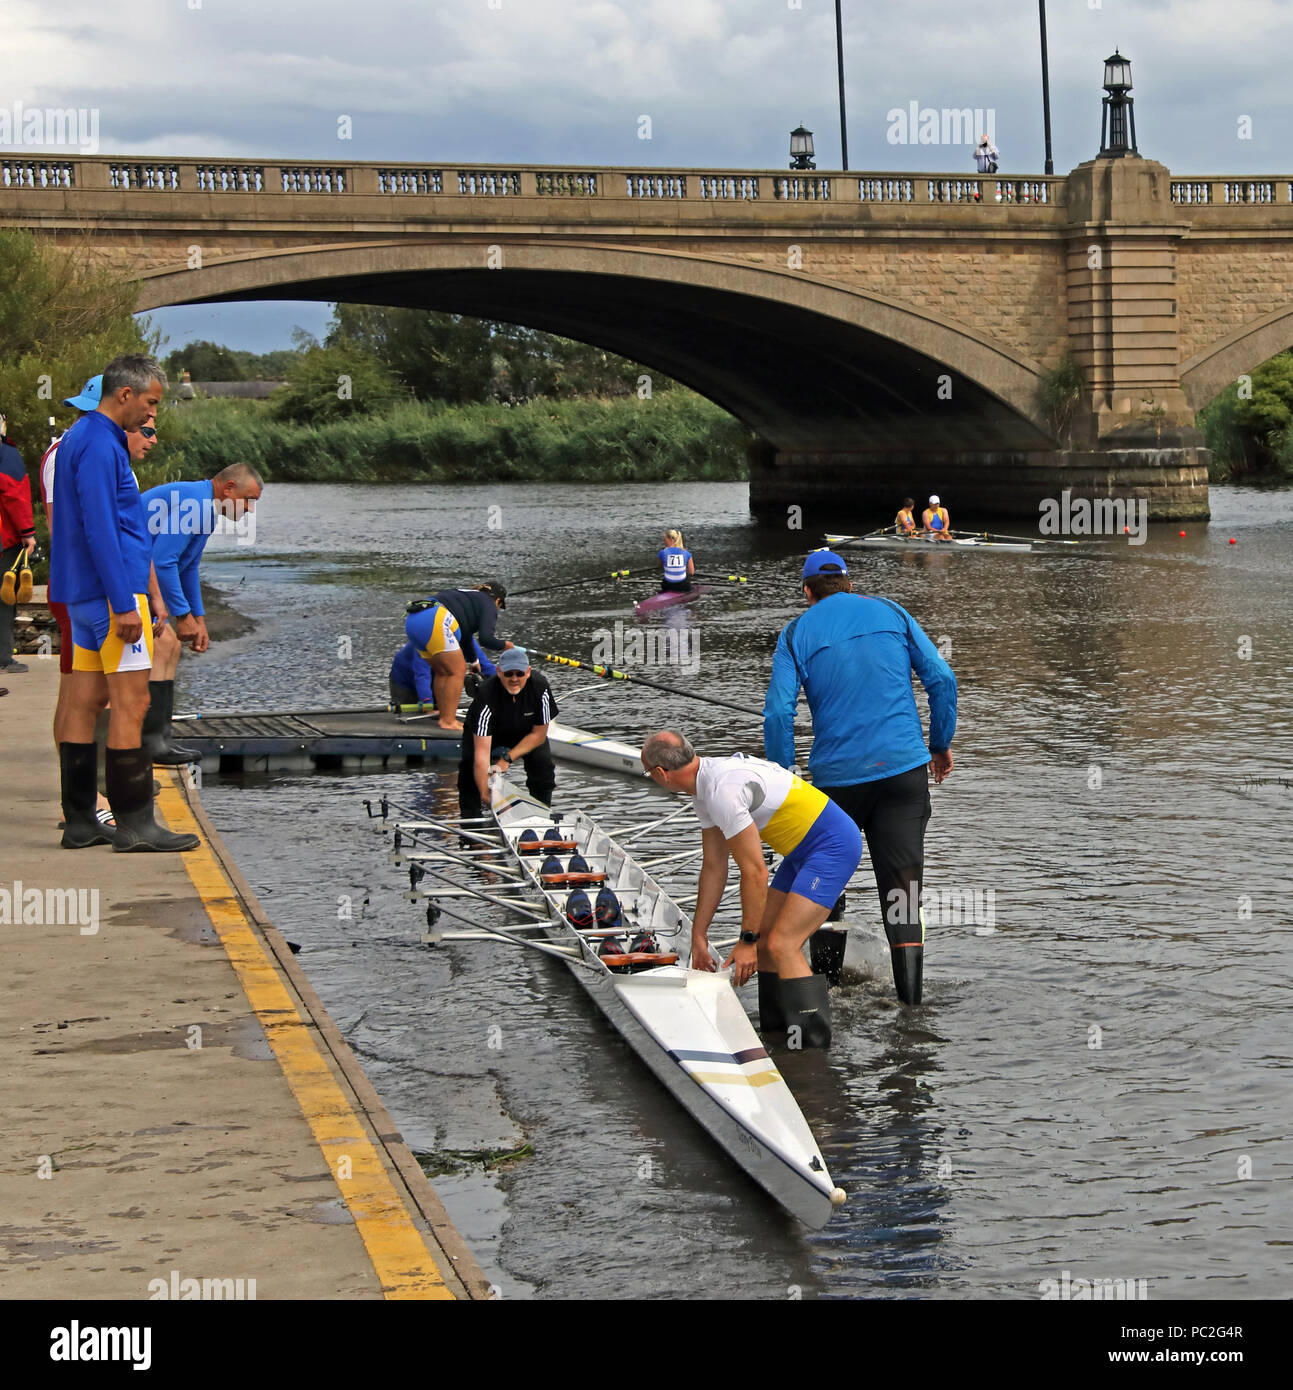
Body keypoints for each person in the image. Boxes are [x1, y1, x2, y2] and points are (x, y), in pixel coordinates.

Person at [763, 550, 956, 1004]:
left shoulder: (795, 634)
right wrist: (939, 743)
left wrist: (785, 779)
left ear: (808, 591)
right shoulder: (891, 611)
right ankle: (912, 1009)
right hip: (904, 773)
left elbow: (777, 715)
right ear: (849, 583)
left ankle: (827, 988)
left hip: (836, 783)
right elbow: (942, 680)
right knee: (903, 891)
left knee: (824, 876)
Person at [50, 353, 197, 853]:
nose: (151, 417)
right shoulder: (101, 444)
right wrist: (124, 602)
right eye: (150, 403)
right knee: (132, 702)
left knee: (84, 702)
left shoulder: (78, 437)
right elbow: (101, 527)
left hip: (80, 593)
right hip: (111, 595)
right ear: (125, 394)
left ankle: (81, 820)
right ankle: (137, 823)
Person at [641, 730, 863, 1048]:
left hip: (833, 846)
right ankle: (779, 1038)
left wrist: (746, 939)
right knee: (766, 943)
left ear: (661, 773)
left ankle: (813, 1052)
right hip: (804, 852)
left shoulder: (721, 791)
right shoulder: (703, 789)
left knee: (781, 945)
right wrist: (699, 936)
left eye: (649, 774)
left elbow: (756, 873)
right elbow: (715, 867)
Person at [140, 463, 264, 763]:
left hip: (142, 574)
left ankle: (160, 739)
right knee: (165, 647)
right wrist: (182, 617)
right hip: (127, 574)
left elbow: (188, 566)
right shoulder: (198, 505)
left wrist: (199, 619)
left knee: (169, 650)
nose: (249, 510)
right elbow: (163, 560)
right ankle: (150, 743)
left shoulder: (206, 505)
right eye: (248, 500)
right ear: (228, 488)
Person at [457, 646, 558, 818]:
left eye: (519, 674)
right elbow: (482, 754)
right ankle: (471, 821)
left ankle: (542, 813)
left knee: (543, 765)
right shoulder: (486, 696)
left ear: (528, 672)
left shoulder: (540, 689)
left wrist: (506, 759)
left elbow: (539, 734)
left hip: (527, 732)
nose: (514, 679)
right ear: (498, 672)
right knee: (469, 770)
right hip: (489, 733)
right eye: (508, 674)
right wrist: (484, 793)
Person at [403, 582, 512, 731]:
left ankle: (444, 714)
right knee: (457, 671)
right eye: (499, 606)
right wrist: (505, 645)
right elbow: (486, 639)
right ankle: (449, 721)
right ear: (498, 600)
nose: (497, 610)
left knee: (443, 672)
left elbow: (465, 636)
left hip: (414, 619)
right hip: (436, 619)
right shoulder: (488, 603)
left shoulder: (465, 597)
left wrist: (474, 661)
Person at [0, 409, 38, 674]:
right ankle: (3, 657)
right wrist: (28, 532)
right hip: (4, 540)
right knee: (4, 599)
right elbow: (14, 494)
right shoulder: (6, 454)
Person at [390, 636, 494, 708]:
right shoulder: (426, 639)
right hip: (404, 679)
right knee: (415, 716)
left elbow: (485, 666)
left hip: (435, 675)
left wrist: (505, 687)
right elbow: (422, 675)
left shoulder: (465, 638)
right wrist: (427, 703)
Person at [657, 528, 694, 593]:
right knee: (687, 577)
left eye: (665, 540)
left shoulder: (662, 552)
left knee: (665, 577)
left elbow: (660, 566)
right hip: (683, 585)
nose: (664, 542)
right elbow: (691, 572)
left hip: (668, 585)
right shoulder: (687, 553)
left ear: (671, 539)